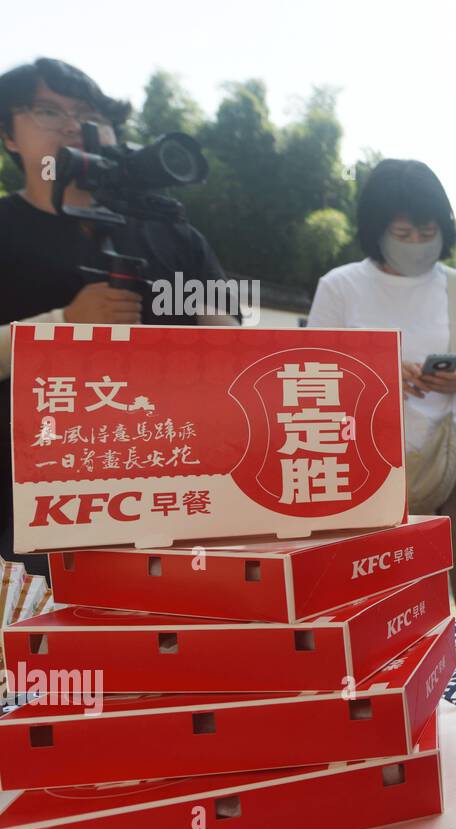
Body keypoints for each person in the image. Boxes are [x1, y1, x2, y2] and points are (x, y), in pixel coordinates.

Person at [0, 58, 234, 575]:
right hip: (33, 517)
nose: (71, 126)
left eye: (87, 114)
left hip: (165, 503)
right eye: (47, 111)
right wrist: (63, 323)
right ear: (9, 136)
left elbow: (230, 345)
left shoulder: (171, 232)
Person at [307, 159, 456, 620]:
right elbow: (310, 382)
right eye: (403, 234)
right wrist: (380, 377)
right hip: (368, 471)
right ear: (376, 229)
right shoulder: (340, 287)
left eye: (426, 234)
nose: (416, 245)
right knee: (388, 610)